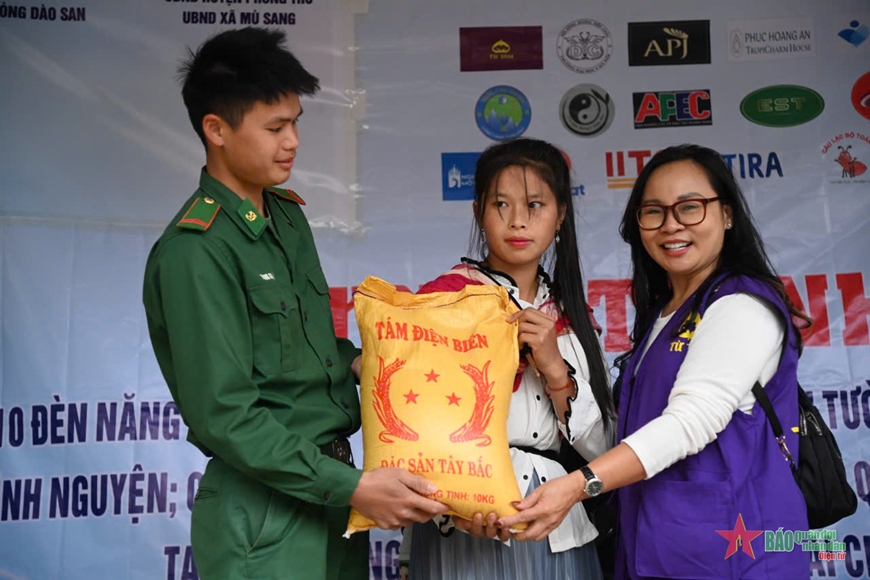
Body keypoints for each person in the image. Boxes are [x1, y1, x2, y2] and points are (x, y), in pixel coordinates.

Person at [142, 27, 447, 580]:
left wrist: (367, 362)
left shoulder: (286, 216)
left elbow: (306, 349)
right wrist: (353, 487)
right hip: (265, 509)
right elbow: (225, 416)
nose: (293, 142)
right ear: (216, 130)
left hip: (334, 490)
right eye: (275, 127)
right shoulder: (195, 251)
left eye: (296, 123)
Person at [498, 144, 812, 579]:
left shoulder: (742, 305)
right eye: (654, 212)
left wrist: (574, 486)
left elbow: (691, 421)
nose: (671, 226)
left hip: (735, 554)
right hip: (656, 547)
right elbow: (623, 436)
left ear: (727, 214)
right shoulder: (664, 315)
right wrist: (557, 378)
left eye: (690, 208)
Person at [401, 137, 615, 579]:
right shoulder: (442, 302)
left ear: (560, 215)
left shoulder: (572, 314)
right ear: (479, 211)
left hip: (556, 515)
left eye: (535, 205)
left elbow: (601, 449)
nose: (518, 221)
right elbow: (412, 428)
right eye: (502, 204)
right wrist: (451, 509)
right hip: (465, 519)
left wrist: (555, 367)